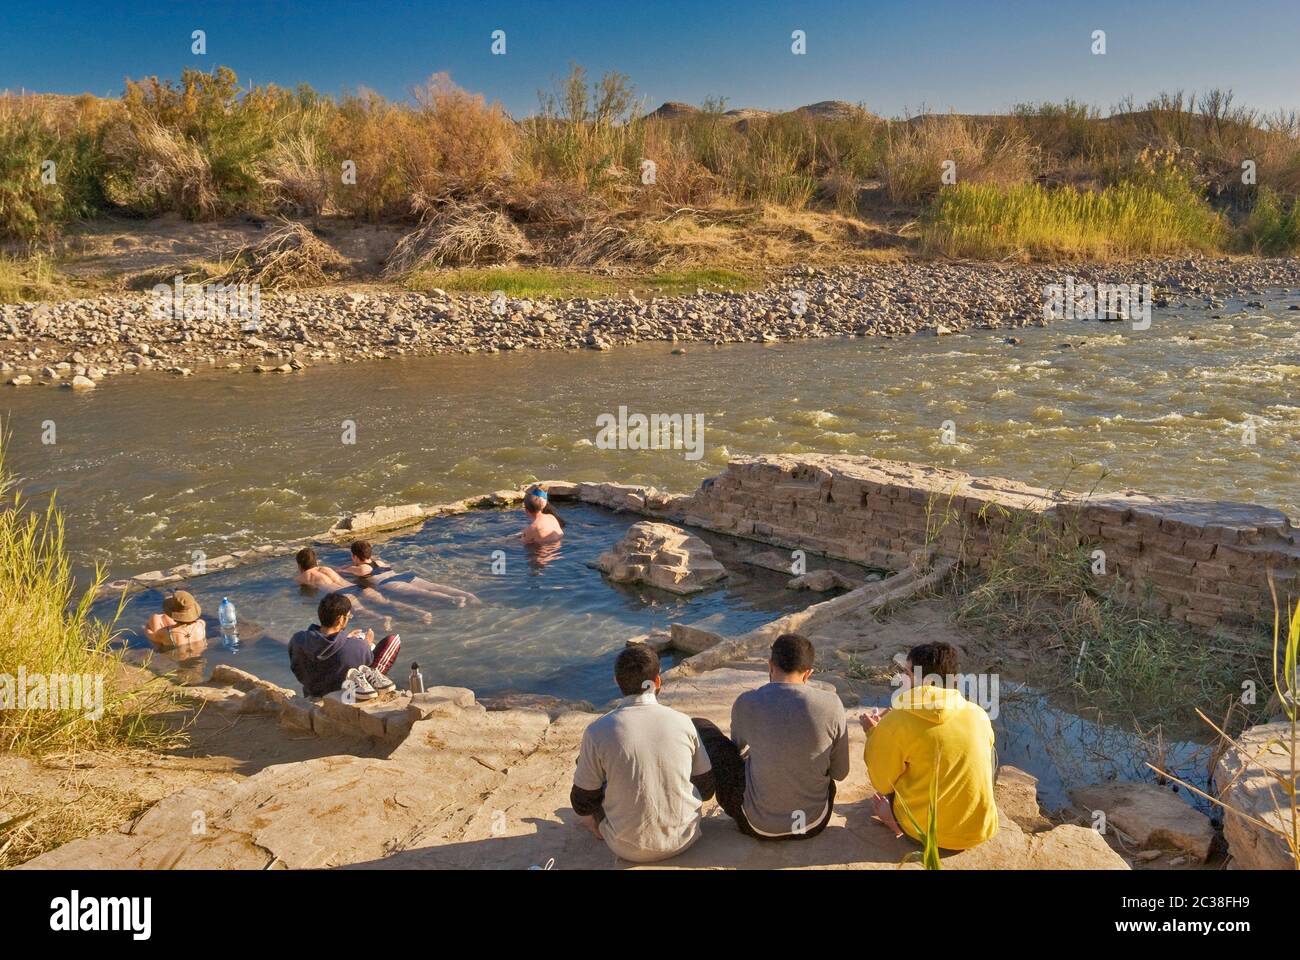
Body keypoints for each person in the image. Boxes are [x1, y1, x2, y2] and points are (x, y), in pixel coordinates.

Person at [692, 633, 849, 840]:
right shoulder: (832, 704)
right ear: (808, 673)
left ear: (770, 665)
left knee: (701, 726)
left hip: (755, 825)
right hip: (813, 823)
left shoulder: (747, 701)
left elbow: (735, 749)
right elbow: (840, 773)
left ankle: (697, 795)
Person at [570, 645, 715, 863]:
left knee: (586, 764)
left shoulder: (597, 731)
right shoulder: (683, 722)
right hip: (685, 838)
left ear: (616, 682)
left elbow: (582, 803)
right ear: (657, 682)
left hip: (627, 847)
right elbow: (706, 790)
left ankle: (596, 827)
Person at [861, 641, 998, 852]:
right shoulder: (977, 713)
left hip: (927, 835)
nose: (902, 678)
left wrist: (874, 734)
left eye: (907, 672)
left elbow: (883, 782)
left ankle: (894, 821)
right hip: (980, 830)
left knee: (887, 791)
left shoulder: (898, 721)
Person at [287, 591, 401, 700]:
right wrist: (366, 645)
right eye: (348, 616)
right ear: (340, 619)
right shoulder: (356, 647)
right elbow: (366, 659)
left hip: (312, 690)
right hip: (342, 692)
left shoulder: (297, 640)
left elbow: (324, 648)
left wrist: (345, 639)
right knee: (393, 640)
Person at [293, 546, 431, 624]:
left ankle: (383, 619)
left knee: (362, 611)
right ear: (316, 561)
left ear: (300, 564)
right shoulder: (326, 568)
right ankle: (421, 612)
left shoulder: (301, 577)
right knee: (387, 602)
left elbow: (307, 592)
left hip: (343, 594)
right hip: (357, 587)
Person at [338, 540, 480, 607]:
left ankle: (453, 600)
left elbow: (342, 570)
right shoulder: (380, 562)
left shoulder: (362, 568)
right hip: (403, 576)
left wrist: (346, 566)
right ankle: (467, 595)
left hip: (390, 583)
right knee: (433, 586)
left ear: (355, 556)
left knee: (423, 593)